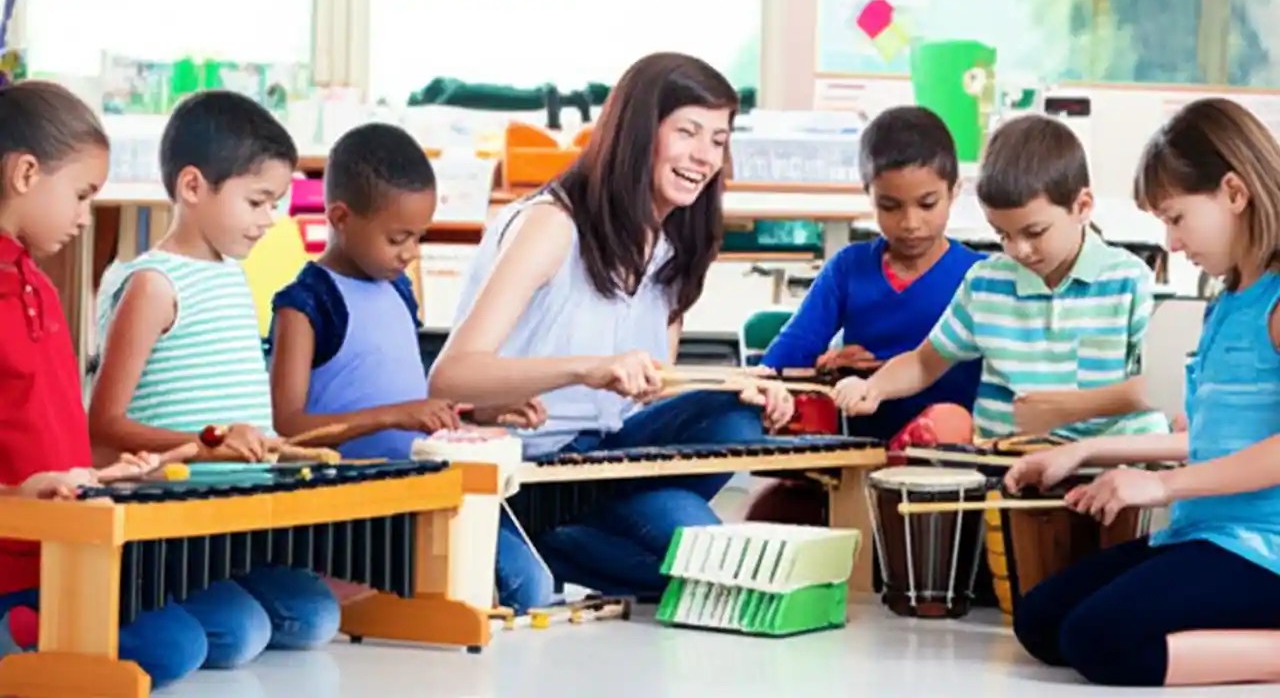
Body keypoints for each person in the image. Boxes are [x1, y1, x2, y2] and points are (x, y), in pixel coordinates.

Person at [427, 52, 794, 612]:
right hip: (528, 466)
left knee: (737, 417)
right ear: (639, 132)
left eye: (718, 140)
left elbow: (653, 386)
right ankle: (549, 539)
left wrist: (737, 382)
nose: (704, 156)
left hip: (608, 463)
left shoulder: (676, 243)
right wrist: (587, 368)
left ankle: (568, 544)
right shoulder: (552, 225)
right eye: (688, 132)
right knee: (694, 548)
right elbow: (451, 378)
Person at [1004, 97, 1280, 688]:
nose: (1172, 243)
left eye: (1176, 218)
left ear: (1234, 193)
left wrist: (1159, 485)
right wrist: (1084, 453)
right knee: (1041, 622)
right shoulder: (1228, 302)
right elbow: (1216, 446)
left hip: (1267, 550)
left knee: (1100, 641)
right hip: (1206, 532)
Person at [88, 90, 339, 668]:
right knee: (243, 634)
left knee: (315, 618)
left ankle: (203, 596)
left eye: (275, 203)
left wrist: (266, 444)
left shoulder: (231, 277)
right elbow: (102, 427)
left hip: (229, 523)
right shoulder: (153, 285)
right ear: (194, 187)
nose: (269, 220)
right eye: (257, 201)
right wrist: (209, 443)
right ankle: (127, 604)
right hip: (166, 520)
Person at [0, 80, 207, 688]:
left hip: (67, 555)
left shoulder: (36, 285)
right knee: (174, 646)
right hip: (15, 560)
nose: (86, 217)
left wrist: (101, 472)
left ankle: (38, 641)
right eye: (82, 195)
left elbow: (50, 429)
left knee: (206, 633)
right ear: (26, 173)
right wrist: (19, 495)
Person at [833, 114, 1170, 442]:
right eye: (1002, 234)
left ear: (1082, 206)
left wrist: (1067, 408)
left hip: (1099, 463)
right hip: (1004, 462)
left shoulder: (1128, 281)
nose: (1018, 250)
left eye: (1034, 232)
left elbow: (1159, 388)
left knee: (1153, 426)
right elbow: (924, 362)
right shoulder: (985, 283)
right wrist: (872, 387)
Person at [269, 122, 546, 460]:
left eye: (419, 237)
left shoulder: (398, 289)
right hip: (341, 500)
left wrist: (478, 412)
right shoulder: (306, 305)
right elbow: (288, 426)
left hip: (412, 488)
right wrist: (393, 415)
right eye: (397, 239)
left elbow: (411, 399)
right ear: (341, 218)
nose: (411, 252)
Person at [760, 105, 983, 440]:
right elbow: (789, 353)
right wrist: (820, 370)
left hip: (946, 454)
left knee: (948, 420)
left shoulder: (980, 276)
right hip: (855, 446)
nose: (910, 223)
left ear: (954, 192)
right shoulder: (849, 268)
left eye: (927, 204)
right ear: (869, 195)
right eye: (889, 206)